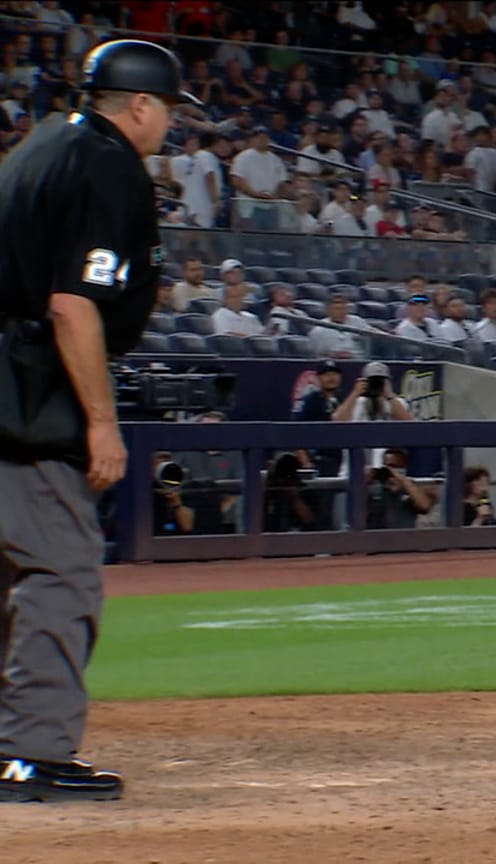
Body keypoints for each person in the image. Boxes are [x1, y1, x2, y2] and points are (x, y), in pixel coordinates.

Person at [0, 39, 199, 803]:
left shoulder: (41, 143)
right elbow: (72, 303)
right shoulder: (109, 162)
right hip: (28, 388)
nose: (172, 125)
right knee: (61, 567)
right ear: (141, 106)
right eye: (170, 110)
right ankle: (30, 752)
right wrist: (101, 422)